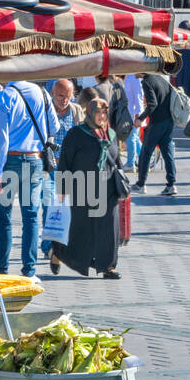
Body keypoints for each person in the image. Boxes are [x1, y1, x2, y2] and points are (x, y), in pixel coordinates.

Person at [0, 80, 59, 281]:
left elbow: (1, 139)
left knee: (4, 217)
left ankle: (2, 266)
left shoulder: (3, 97)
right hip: (35, 158)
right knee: (31, 216)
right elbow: (54, 126)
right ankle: (29, 270)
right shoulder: (42, 93)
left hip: (10, 159)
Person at [50, 98, 122, 280]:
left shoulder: (111, 134)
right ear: (89, 113)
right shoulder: (76, 134)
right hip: (81, 189)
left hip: (109, 190)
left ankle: (108, 266)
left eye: (105, 113)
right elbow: (65, 163)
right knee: (80, 230)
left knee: (109, 230)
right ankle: (59, 253)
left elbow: (117, 161)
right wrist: (62, 189)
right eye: (98, 112)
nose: (102, 116)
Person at [40, 79, 84, 261]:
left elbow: (83, 135)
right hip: (48, 167)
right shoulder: (44, 111)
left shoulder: (76, 111)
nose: (65, 100)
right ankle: (48, 246)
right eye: (61, 96)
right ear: (52, 94)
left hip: (69, 168)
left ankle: (62, 244)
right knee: (48, 205)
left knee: (68, 208)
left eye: (68, 96)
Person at [134, 71, 177, 196]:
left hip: (157, 122)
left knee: (145, 152)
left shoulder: (147, 82)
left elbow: (152, 104)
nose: (133, 73)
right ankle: (171, 185)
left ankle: (141, 184)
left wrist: (140, 119)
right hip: (168, 121)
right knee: (168, 153)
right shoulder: (161, 78)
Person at [122, 73, 144, 172]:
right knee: (135, 138)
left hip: (133, 114)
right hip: (128, 113)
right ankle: (144, 161)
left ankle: (131, 164)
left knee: (131, 138)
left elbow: (138, 96)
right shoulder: (128, 77)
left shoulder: (134, 77)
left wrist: (137, 116)